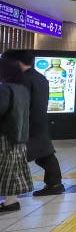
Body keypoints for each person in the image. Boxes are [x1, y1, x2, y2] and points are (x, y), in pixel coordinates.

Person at [1, 50, 64, 196]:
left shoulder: (21, 79)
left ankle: (12, 195)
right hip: (39, 120)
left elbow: (16, 102)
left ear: (17, 62)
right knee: (45, 153)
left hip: (24, 122)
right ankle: (54, 183)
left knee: (16, 156)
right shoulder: (40, 77)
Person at [0, 57, 33, 213]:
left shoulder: (5, 89)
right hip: (19, 135)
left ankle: (11, 202)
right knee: (12, 168)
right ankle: (11, 201)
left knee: (5, 167)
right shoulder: (22, 89)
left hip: (5, 135)